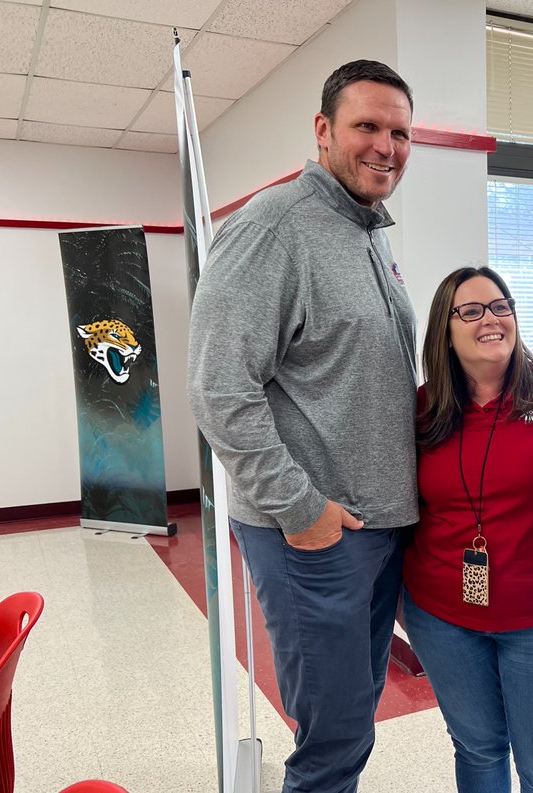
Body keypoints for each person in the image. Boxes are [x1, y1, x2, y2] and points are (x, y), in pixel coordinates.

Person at [187, 60, 417, 793]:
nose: (386, 146)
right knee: (332, 739)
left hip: (376, 528)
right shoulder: (273, 226)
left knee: (348, 724)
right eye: (368, 127)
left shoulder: (366, 235)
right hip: (315, 533)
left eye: (401, 132)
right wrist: (301, 509)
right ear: (323, 131)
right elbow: (220, 387)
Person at [403, 266, 533, 793]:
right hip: (441, 616)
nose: (490, 319)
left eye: (500, 306)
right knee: (477, 747)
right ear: (444, 331)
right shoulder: (424, 410)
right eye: (471, 311)